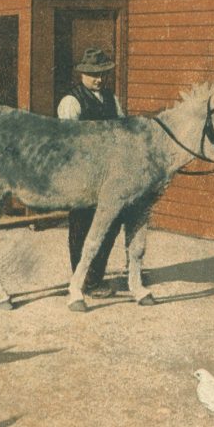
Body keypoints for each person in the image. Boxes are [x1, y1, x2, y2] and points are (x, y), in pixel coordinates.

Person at [57, 47, 124, 298]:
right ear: (82, 74)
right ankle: (81, 278)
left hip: (108, 175)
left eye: (102, 74)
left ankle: (96, 278)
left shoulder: (111, 99)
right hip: (83, 175)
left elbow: (122, 131)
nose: (98, 79)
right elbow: (68, 142)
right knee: (81, 226)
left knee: (110, 224)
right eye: (93, 74)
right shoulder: (71, 102)